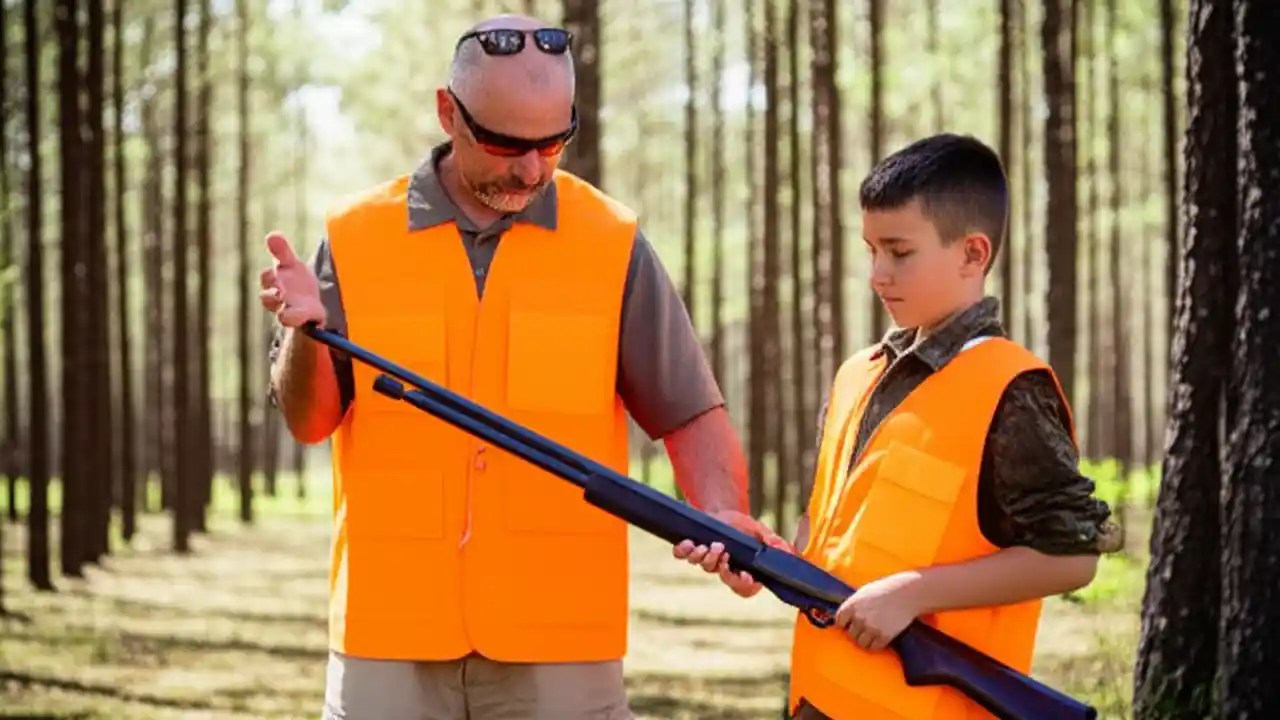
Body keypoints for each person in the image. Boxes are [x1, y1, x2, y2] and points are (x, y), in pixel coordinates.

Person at [258, 14, 780, 720]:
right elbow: (310, 420)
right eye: (506, 144)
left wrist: (721, 514)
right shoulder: (356, 237)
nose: (531, 169)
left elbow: (687, 410)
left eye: (553, 142)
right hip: (389, 630)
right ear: (448, 111)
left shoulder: (612, 242)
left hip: (562, 639)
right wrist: (304, 335)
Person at [674, 133, 1122, 719]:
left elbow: (1072, 557)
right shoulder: (856, 376)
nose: (878, 274)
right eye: (871, 251)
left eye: (899, 251)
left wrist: (914, 593)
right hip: (818, 699)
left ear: (972, 254)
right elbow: (832, 539)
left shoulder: (1011, 388)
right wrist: (766, 558)